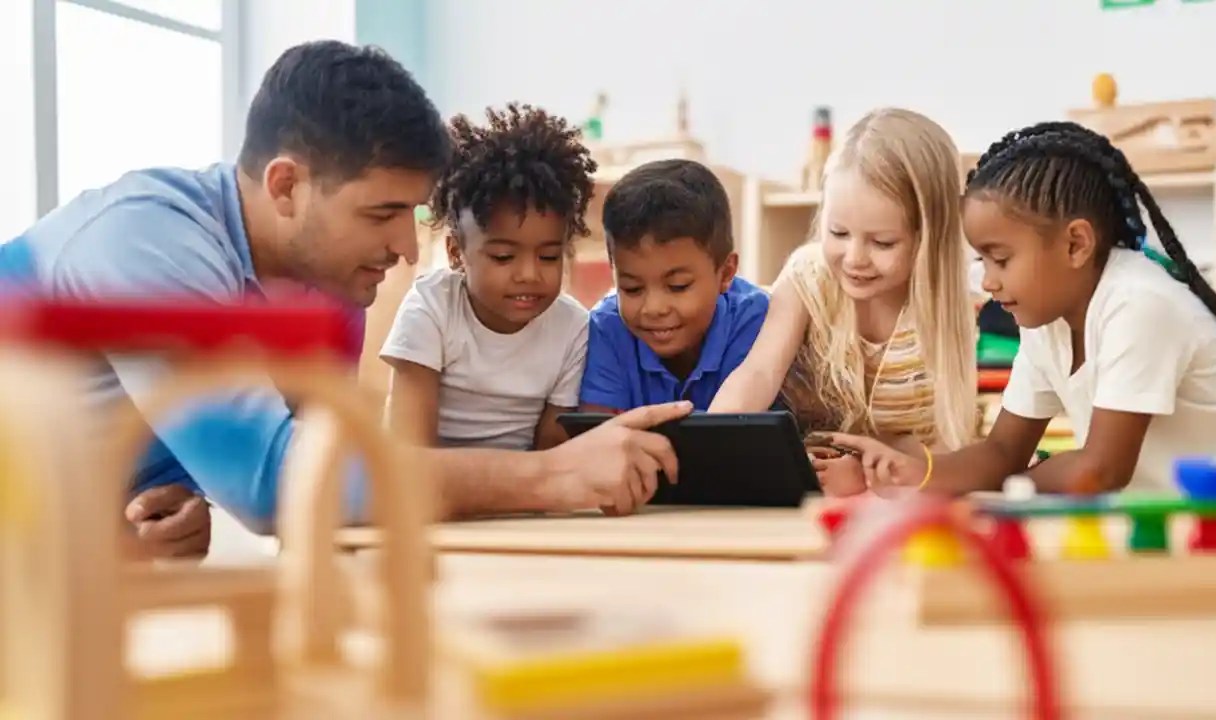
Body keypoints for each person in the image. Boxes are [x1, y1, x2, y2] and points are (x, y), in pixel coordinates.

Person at [0, 40, 690, 558]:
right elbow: (278, 484)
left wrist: (127, 534)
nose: (406, 248)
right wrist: (548, 478)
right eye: (381, 213)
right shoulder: (144, 238)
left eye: (412, 215)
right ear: (285, 186)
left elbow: (317, 479)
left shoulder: (332, 291)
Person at [824, 121, 1216, 527]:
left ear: (1076, 244)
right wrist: (919, 472)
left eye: (1000, 259)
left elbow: (1099, 470)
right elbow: (1002, 452)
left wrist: (1006, 490)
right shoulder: (1046, 321)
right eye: (982, 259)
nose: (988, 281)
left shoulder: (1139, 303)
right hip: (1213, 516)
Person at [708, 108, 977, 498]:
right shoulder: (809, 276)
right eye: (838, 232)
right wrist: (711, 447)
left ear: (930, 238)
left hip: (900, 499)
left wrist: (868, 470)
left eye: (882, 242)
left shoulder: (945, 305)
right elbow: (758, 374)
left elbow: (946, 445)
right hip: (808, 492)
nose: (854, 258)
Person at [381, 103, 593, 451]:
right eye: (503, 257)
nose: (529, 274)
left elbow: (553, 455)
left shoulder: (573, 329)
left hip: (527, 495)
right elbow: (408, 455)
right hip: (433, 492)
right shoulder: (432, 308)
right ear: (455, 253)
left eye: (549, 256)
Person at [578, 159, 769, 414]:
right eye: (632, 288)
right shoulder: (606, 329)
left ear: (725, 273)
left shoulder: (755, 320)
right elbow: (599, 439)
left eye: (678, 286)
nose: (654, 308)